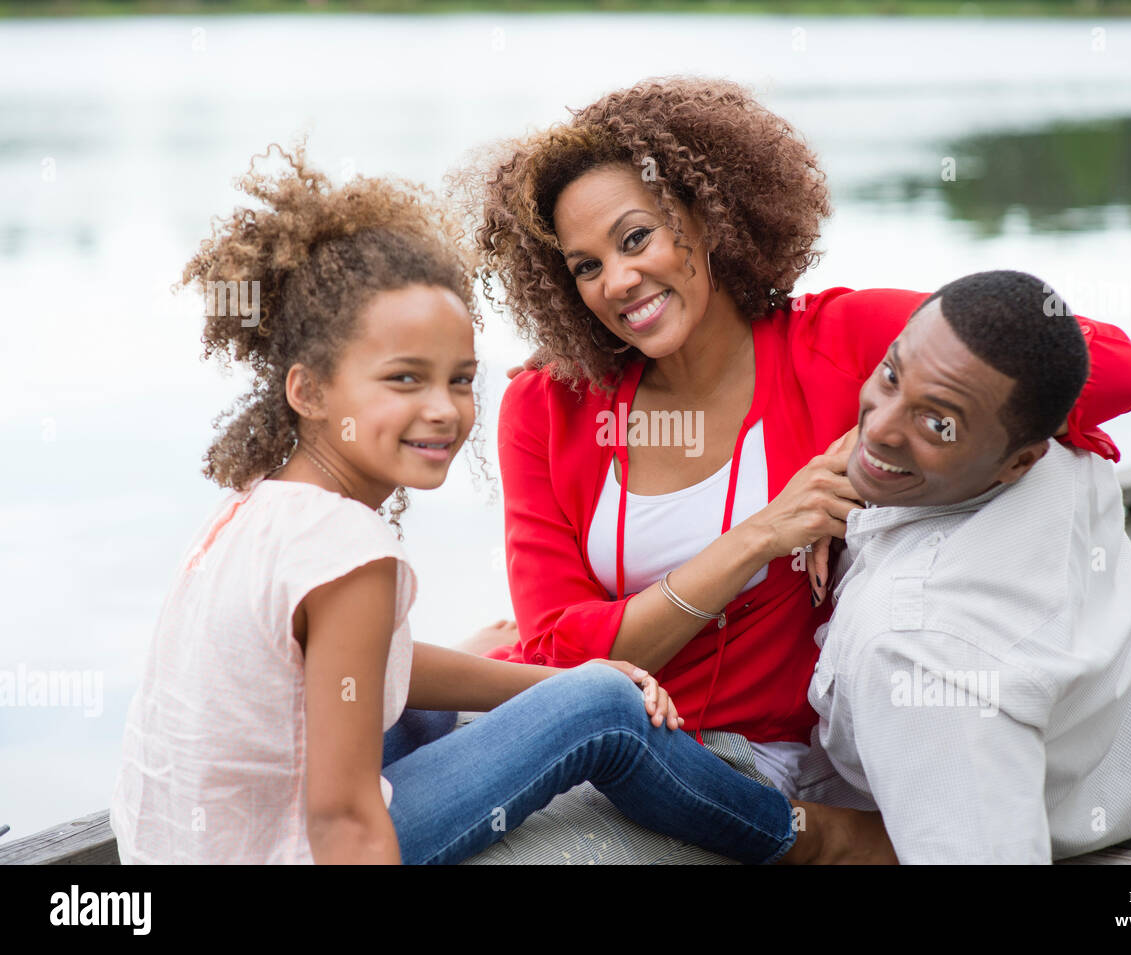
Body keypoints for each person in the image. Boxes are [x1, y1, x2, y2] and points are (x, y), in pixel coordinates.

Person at [107, 141, 881, 866]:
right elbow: (343, 818)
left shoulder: (258, 510)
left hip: (193, 846)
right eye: (404, 379)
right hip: (293, 847)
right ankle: (813, 838)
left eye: (461, 378)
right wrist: (590, 685)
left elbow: (363, 675)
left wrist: (541, 677)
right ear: (307, 389)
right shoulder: (347, 554)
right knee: (607, 711)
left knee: (500, 686)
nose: (443, 410)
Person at [449, 76, 1131, 861]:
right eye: (585, 265)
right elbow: (554, 657)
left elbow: (1115, 367)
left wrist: (867, 443)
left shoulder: (841, 342)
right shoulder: (549, 405)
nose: (616, 281)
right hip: (571, 728)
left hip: (738, 762)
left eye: (636, 237)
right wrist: (760, 535)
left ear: (703, 218)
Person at [807, 270, 1131, 863]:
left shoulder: (917, 647)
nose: (874, 428)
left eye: (938, 422)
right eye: (891, 374)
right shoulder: (1063, 453)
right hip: (1109, 782)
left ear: (1019, 461)